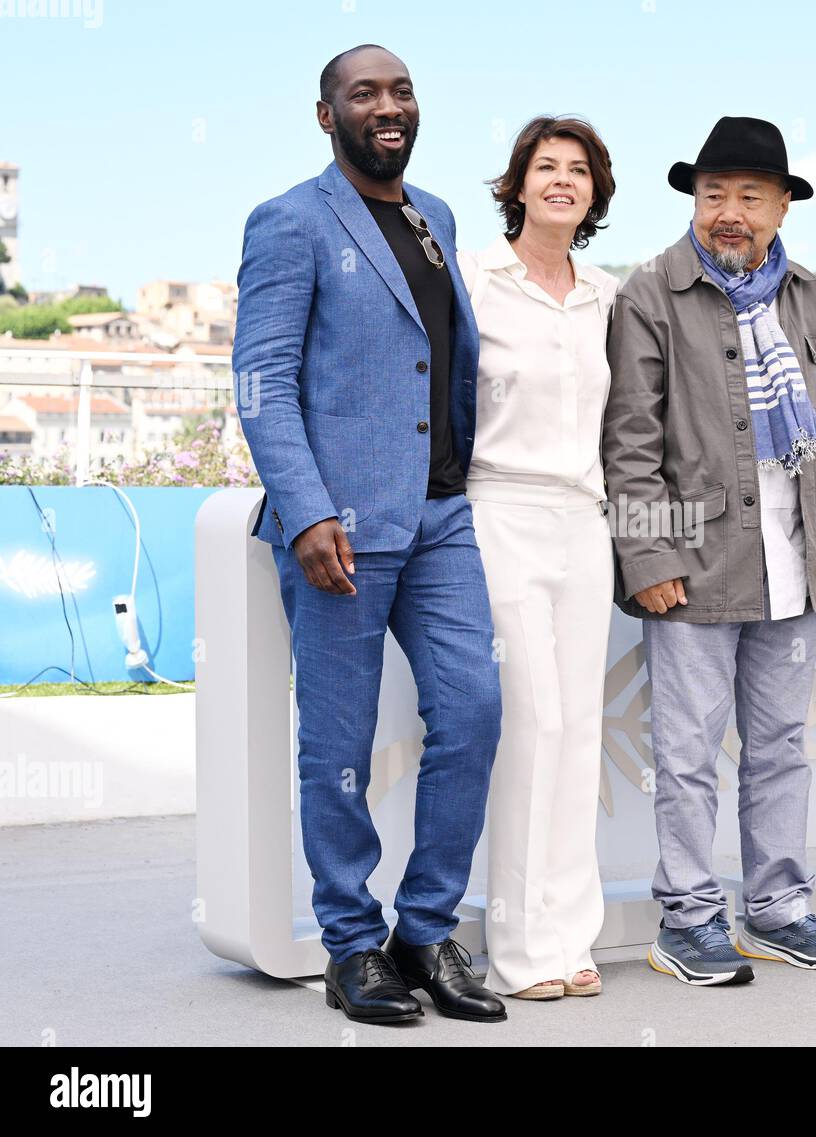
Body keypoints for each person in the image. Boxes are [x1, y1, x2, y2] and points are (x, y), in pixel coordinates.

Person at [233, 44, 507, 1025]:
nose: (385, 107)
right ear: (327, 116)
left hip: (439, 517)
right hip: (339, 529)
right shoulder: (290, 221)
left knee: (473, 714)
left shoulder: (435, 216)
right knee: (338, 745)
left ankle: (426, 931)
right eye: (364, 94)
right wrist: (305, 509)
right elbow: (261, 380)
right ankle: (353, 944)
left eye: (399, 91)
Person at [602, 116, 816, 986]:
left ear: (783, 206)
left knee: (782, 744)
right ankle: (687, 918)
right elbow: (630, 443)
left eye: (750, 196)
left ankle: (780, 909)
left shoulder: (809, 297)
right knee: (685, 752)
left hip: (791, 562)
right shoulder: (651, 293)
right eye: (714, 193)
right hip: (692, 563)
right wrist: (650, 561)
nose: (729, 211)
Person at [458, 115, 619, 1001]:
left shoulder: (603, 293)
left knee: (580, 731)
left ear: (595, 191)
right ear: (516, 184)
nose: (562, 179)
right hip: (500, 512)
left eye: (579, 169)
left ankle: (572, 935)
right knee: (533, 727)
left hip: (582, 519)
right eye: (545, 167)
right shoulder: (475, 280)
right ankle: (521, 950)